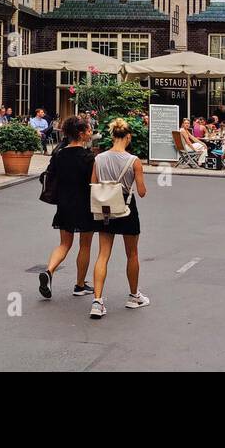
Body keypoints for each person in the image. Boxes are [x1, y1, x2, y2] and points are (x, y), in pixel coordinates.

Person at [89, 118, 148, 319]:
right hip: (126, 208)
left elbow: (93, 184)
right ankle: (134, 296)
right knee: (132, 253)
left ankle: (97, 301)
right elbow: (141, 192)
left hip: (105, 207)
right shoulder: (134, 161)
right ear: (128, 137)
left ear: (112, 136)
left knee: (103, 253)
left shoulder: (98, 159)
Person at [38, 115, 97, 299]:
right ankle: (80, 285)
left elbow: (50, 175)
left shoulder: (60, 154)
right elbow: (95, 182)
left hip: (64, 204)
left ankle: (49, 271)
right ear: (80, 133)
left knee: (64, 244)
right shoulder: (89, 157)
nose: (90, 133)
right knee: (85, 245)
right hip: (85, 205)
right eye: (88, 130)